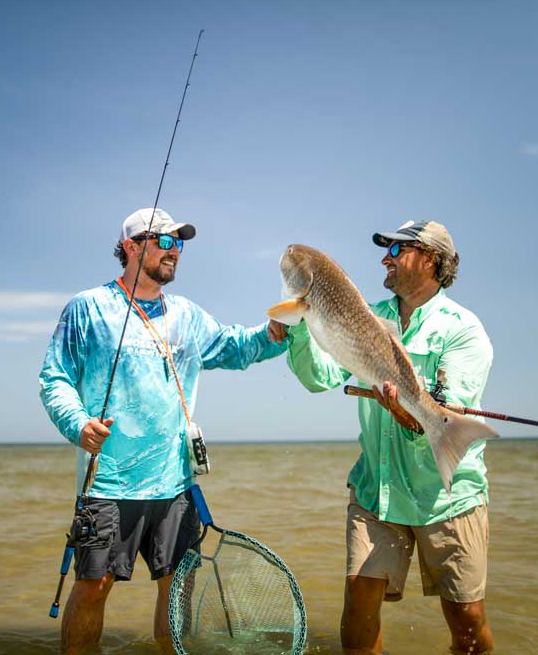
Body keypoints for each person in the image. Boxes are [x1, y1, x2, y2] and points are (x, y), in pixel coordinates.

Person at [39, 207, 288, 654]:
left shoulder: (188, 315)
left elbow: (234, 347)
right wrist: (78, 424)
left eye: (179, 243)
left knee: (177, 592)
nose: (175, 251)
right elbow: (54, 377)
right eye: (165, 241)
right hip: (107, 484)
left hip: (174, 484)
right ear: (132, 247)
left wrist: (274, 333)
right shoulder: (89, 307)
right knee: (93, 588)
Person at [270, 220, 495, 655]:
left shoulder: (464, 330)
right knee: (358, 606)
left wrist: (408, 408)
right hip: (377, 489)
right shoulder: (365, 313)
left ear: (430, 259)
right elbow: (319, 378)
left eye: (398, 249)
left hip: (447, 496)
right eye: (386, 249)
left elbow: (449, 408)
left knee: (467, 620)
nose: (385, 258)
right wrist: (297, 327)